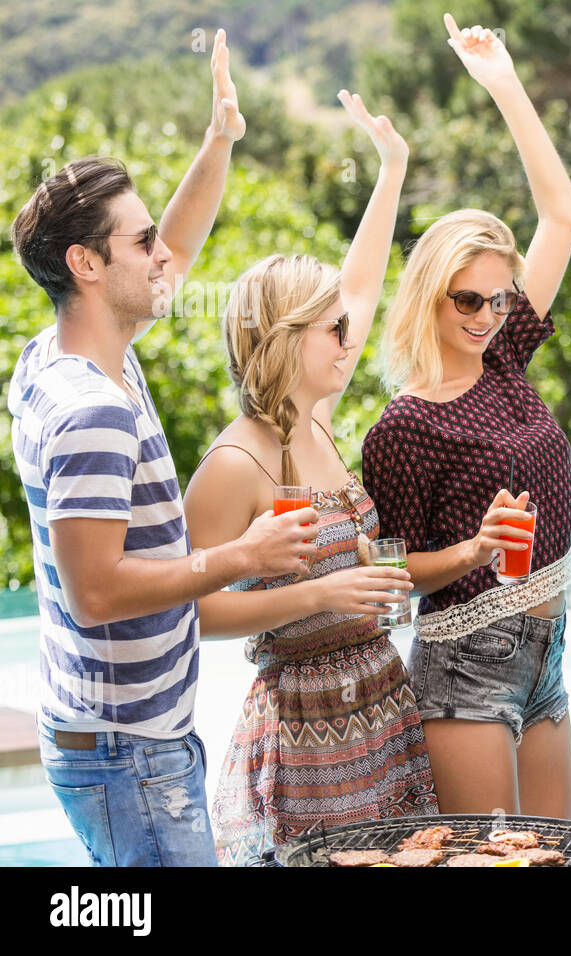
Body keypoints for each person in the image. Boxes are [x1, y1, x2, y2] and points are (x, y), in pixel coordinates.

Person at [7, 31, 315, 866]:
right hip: (126, 751)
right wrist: (241, 553)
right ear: (87, 264)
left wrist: (219, 140)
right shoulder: (91, 409)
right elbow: (99, 591)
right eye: (140, 243)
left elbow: (175, 242)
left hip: (111, 738)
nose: (163, 255)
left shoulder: (60, 352)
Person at [183, 92, 437, 866]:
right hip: (306, 733)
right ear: (290, 340)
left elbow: (357, 286)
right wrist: (321, 595)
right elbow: (187, 611)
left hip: (382, 706)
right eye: (334, 330)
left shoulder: (315, 417)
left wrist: (392, 169)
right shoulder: (236, 465)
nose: (350, 337)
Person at [361, 15, 571, 817]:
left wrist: (504, 84)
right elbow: (389, 576)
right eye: (467, 299)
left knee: (564, 855)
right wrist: (475, 549)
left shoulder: (506, 361)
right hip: (465, 662)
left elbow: (561, 215)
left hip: (548, 651)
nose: (487, 314)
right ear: (430, 294)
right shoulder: (402, 428)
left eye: (497, 297)